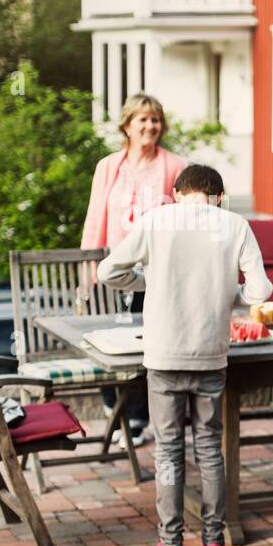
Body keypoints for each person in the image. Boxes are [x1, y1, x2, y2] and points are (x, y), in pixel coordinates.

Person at [97, 164, 272, 546]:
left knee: (169, 449)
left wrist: (148, 280)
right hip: (211, 353)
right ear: (217, 195)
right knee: (210, 448)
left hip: (164, 355)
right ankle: (213, 544)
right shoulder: (234, 224)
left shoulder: (156, 220)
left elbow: (108, 272)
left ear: (177, 192)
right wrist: (234, 290)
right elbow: (261, 290)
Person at [82, 93, 186, 447]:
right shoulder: (109, 166)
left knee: (148, 342)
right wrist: (90, 267)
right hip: (114, 265)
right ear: (127, 125)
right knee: (106, 338)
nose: (150, 126)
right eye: (142, 119)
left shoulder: (175, 166)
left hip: (156, 271)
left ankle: (139, 419)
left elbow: (187, 220)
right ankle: (114, 412)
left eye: (155, 119)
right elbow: (96, 217)